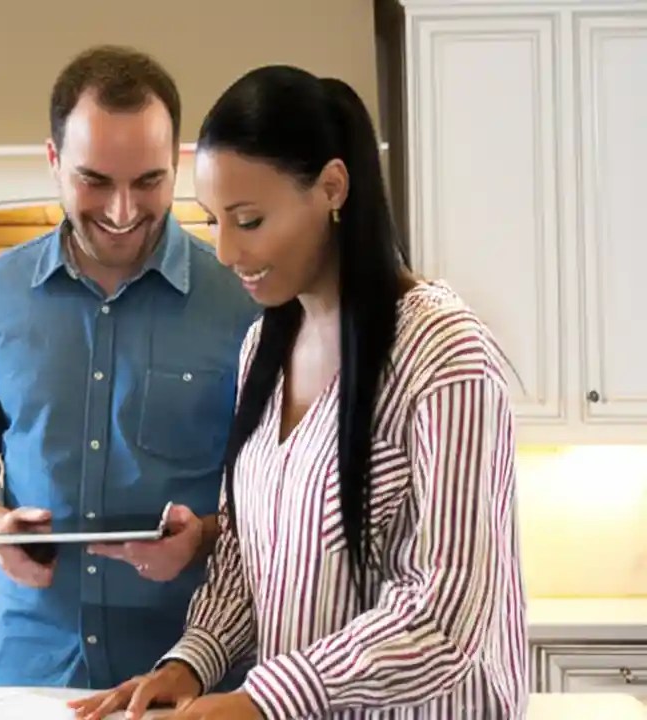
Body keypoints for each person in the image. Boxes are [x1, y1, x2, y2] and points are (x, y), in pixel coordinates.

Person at [69, 64, 529, 719]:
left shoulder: (441, 349)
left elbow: (446, 611)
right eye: (213, 221)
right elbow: (245, 554)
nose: (225, 252)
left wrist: (263, 700)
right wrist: (190, 661)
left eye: (249, 220)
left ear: (333, 188)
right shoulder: (265, 346)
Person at [0, 45, 260, 691]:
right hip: (28, 673)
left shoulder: (245, 299)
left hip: (194, 681)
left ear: (179, 164)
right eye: (95, 181)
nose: (124, 210)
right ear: (53, 162)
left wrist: (205, 536)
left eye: (149, 181)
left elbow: (285, 489)